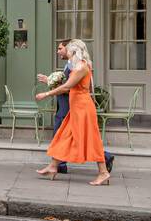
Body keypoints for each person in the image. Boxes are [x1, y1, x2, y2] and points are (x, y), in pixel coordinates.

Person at [35, 39, 110, 186]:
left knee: (92, 139)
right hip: (77, 108)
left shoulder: (81, 67)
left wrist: (46, 94)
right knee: (65, 135)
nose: (65, 52)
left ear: (74, 51)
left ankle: (103, 172)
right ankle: (53, 166)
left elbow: (66, 87)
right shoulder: (79, 66)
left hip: (83, 108)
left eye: (68, 50)